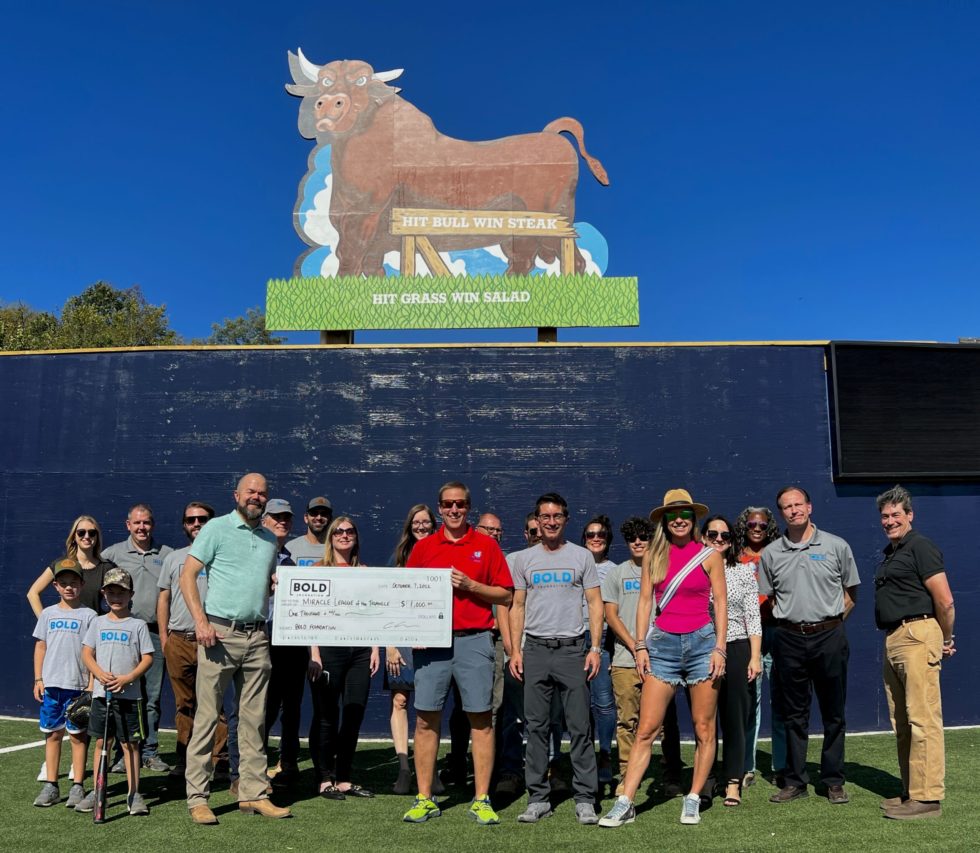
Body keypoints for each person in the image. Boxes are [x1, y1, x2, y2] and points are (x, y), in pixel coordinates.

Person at [599, 489, 727, 828]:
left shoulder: (710, 555)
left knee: (703, 727)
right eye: (673, 514)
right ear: (665, 520)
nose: (680, 519)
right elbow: (644, 602)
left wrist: (720, 648)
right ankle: (625, 801)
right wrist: (640, 645)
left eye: (685, 513)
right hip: (663, 647)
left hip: (702, 644)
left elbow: (721, 603)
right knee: (646, 729)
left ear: (693, 517)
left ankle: (693, 797)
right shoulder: (655, 555)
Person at [180, 472, 290, 824]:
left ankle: (253, 793)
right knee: (208, 717)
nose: (256, 497)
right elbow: (188, 575)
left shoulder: (269, 539)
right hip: (219, 635)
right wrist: (201, 622)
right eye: (250, 492)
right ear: (236, 495)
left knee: (255, 720)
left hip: (257, 637)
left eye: (262, 493)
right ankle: (197, 798)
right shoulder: (215, 529)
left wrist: (272, 587)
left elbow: (260, 585)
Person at [402, 481, 513, 826]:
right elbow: (407, 596)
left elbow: (506, 595)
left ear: (468, 508)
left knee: (481, 719)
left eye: (460, 505)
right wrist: (412, 632)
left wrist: (471, 586)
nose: (454, 510)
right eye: (448, 504)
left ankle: (481, 799)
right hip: (432, 644)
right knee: (425, 719)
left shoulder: (486, 546)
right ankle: (425, 797)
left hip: (475, 640)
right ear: (439, 508)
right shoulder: (423, 548)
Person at [759, 486, 860, 806]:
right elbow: (769, 598)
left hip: (830, 637)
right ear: (781, 513)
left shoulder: (836, 546)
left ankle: (833, 780)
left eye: (798, 504)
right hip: (788, 639)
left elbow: (850, 593)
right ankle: (795, 780)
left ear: (810, 507)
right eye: (786, 506)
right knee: (794, 714)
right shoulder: (771, 553)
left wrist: (828, 624)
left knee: (833, 713)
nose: (793, 510)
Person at [509, 493, 604, 825]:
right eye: (544, 516)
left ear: (566, 519)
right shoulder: (523, 560)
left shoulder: (582, 557)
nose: (550, 522)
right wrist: (515, 651)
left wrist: (594, 648)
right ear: (537, 519)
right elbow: (517, 606)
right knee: (535, 728)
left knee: (579, 727)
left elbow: (595, 603)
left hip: (572, 651)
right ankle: (538, 798)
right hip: (535, 650)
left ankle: (585, 799)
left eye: (557, 516)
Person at [874, 485, 955, 820]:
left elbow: (945, 600)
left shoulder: (920, 546)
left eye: (896, 514)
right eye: (885, 516)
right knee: (903, 721)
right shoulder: (893, 552)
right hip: (895, 637)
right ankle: (911, 791)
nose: (890, 520)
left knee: (923, 718)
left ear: (910, 515)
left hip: (919, 633)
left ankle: (927, 798)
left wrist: (945, 638)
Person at [309, 516, 380, 799]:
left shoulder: (365, 571)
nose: (344, 535)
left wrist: (375, 648)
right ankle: (324, 779)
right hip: (327, 651)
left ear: (356, 537)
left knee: (353, 713)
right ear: (331, 537)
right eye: (338, 531)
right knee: (326, 716)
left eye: (349, 531)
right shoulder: (318, 570)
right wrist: (313, 653)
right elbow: (308, 615)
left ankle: (345, 778)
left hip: (360, 652)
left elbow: (373, 612)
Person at [156, 502, 228, 780]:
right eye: (190, 520)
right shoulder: (174, 558)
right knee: (184, 705)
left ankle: (219, 761)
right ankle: (185, 761)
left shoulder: (222, 556)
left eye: (202, 519)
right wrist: (165, 637)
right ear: (184, 525)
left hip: (213, 641)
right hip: (179, 641)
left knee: (216, 704)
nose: (196, 523)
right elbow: (164, 598)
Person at [101, 503, 173, 772]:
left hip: (154, 634)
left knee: (152, 698)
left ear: (152, 525)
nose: (142, 528)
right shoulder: (113, 554)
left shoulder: (166, 555)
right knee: (124, 697)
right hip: (123, 634)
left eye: (147, 523)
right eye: (137, 523)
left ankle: (150, 752)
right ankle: (124, 753)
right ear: (128, 525)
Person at [77, 568, 155, 816]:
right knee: (101, 742)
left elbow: (147, 658)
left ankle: (134, 794)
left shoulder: (138, 625)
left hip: (130, 697)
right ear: (103, 594)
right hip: (102, 696)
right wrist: (99, 674)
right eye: (111, 592)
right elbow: (86, 653)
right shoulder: (97, 622)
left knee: (130, 744)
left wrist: (128, 678)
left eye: (121, 592)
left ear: (131, 594)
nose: (116, 596)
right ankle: (99, 791)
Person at [701, 515, 761, 807]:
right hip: (702, 649)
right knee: (705, 719)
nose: (719, 539)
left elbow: (753, 616)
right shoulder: (694, 569)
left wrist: (755, 656)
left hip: (737, 648)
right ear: (703, 537)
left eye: (725, 535)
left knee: (735, 718)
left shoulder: (743, 572)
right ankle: (706, 781)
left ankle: (733, 781)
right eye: (713, 534)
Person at [31, 559, 97, 808]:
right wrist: (39, 679)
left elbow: (93, 653)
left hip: (78, 686)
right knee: (53, 735)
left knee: (78, 737)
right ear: (56, 586)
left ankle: (78, 785)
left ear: (82, 584)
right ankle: (52, 785)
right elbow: (40, 646)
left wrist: (91, 684)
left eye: (74, 583)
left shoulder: (90, 615)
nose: (69, 588)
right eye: (63, 583)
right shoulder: (48, 614)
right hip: (52, 686)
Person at [386, 503, 437, 794]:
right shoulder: (400, 557)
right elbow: (388, 601)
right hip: (402, 637)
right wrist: (390, 644)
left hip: (433, 635)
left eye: (426, 523)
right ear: (410, 526)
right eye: (416, 522)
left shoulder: (442, 551)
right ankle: (404, 770)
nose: (421, 527)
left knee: (429, 706)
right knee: (400, 702)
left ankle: (428, 771)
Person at [732, 505, 783, 787]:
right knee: (750, 701)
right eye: (751, 523)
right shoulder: (735, 557)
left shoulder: (778, 553)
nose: (756, 529)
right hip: (746, 635)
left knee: (782, 701)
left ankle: (781, 765)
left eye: (762, 525)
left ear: (769, 528)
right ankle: (747, 766)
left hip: (775, 631)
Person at [602, 516, 652, 795]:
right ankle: (626, 776)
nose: (637, 542)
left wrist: (648, 646)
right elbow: (611, 615)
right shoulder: (617, 574)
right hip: (624, 659)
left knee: (661, 722)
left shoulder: (661, 571)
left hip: (658, 659)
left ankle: (667, 775)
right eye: (632, 538)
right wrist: (635, 645)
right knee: (627, 721)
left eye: (643, 537)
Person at [262, 499, 307, 789]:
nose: (282, 522)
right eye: (276, 517)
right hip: (260, 639)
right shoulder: (254, 554)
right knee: (262, 706)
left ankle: (287, 762)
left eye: (286, 518)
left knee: (291, 706)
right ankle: (253, 765)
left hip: (291, 642)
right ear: (264, 520)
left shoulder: (290, 559)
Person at [580, 513, 617, 788]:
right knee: (576, 705)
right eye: (591, 535)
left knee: (603, 703)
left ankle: (605, 754)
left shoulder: (614, 570)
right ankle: (582, 760)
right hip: (572, 639)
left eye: (601, 535)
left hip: (602, 640)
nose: (596, 539)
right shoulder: (574, 564)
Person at [27, 516, 114, 617]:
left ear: (97, 537)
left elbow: (118, 597)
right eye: (81, 532)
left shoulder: (106, 568)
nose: (87, 536)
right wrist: (45, 622)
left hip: (92, 629)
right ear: (74, 536)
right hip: (65, 629)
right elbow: (32, 593)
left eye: (92, 533)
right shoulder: (61, 565)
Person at [286, 497, 334, 565]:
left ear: (331, 519)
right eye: (314, 513)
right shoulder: (290, 548)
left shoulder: (337, 548)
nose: (319, 517)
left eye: (324, 514)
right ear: (306, 518)